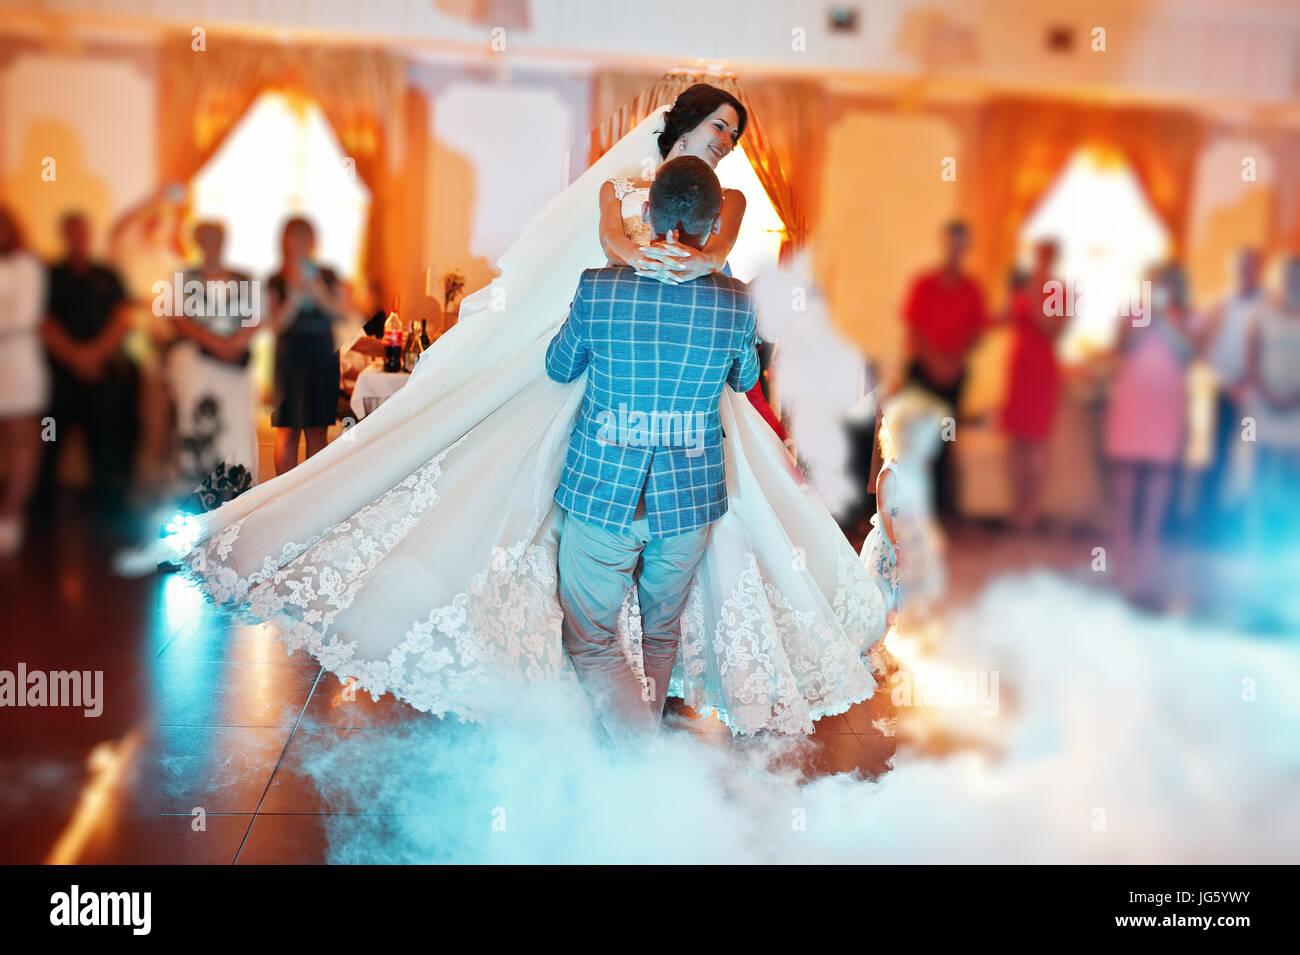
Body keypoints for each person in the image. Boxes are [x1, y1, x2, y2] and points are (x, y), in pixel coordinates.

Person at [172, 86, 886, 737]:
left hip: (674, 370)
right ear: (685, 120)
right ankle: (602, 693)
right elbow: (610, 241)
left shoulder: (723, 201)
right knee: (526, 487)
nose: (725, 142)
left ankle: (628, 705)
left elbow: (723, 246)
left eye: (733, 136)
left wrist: (694, 264)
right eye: (719, 127)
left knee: (648, 550)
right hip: (622, 359)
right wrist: (673, 264)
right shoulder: (624, 190)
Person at [547, 157, 756, 737]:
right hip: (688, 497)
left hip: (602, 490)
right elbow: (743, 380)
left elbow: (559, 367)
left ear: (646, 213)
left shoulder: (600, 286)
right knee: (660, 633)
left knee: (589, 638)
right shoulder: (735, 299)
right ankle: (636, 757)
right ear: (713, 229)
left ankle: (634, 765)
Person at [37, 212, 138, 532]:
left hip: (103, 376)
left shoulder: (108, 275)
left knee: (107, 443)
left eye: (83, 233)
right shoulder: (49, 276)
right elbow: (44, 322)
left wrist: (93, 355)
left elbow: (122, 319)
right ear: (65, 236)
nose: (78, 239)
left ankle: (108, 511)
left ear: (89, 236)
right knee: (49, 442)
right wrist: (75, 357)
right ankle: (41, 515)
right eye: (72, 233)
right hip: (60, 377)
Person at [1103, 263, 1196, 598]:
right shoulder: (1135, 311)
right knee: (1126, 469)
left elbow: (1188, 352)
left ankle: (1149, 543)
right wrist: (1149, 317)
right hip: (1132, 400)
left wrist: (1166, 321)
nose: (1161, 288)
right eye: (1156, 282)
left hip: (1166, 403)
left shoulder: (1185, 318)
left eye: (1166, 283)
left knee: (1160, 470)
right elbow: (1121, 344)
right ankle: (1122, 543)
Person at [167, 221, 261, 511]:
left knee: (236, 429)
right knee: (201, 428)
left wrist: (234, 344)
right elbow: (178, 318)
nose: (211, 243)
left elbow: (255, 316)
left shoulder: (245, 277)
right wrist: (213, 343)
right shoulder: (184, 277)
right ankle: (195, 505)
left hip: (235, 367)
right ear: (197, 242)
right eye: (205, 238)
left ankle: (235, 503)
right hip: (198, 363)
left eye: (215, 237)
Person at [901, 220, 988, 519]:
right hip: (922, 371)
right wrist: (935, 361)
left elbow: (975, 334)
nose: (955, 250)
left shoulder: (972, 290)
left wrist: (952, 363)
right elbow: (914, 328)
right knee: (915, 438)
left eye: (961, 245)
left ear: (966, 248)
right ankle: (908, 506)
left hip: (954, 374)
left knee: (944, 441)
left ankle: (937, 512)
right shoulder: (924, 283)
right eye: (951, 243)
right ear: (944, 243)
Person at [265, 217, 354, 475]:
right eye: (295, 236)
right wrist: (293, 295)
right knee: (288, 428)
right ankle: (282, 494)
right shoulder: (276, 278)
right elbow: (276, 324)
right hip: (289, 356)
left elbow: (342, 313)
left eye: (306, 236)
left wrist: (318, 293)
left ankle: (312, 496)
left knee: (317, 429)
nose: (300, 242)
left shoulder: (327, 274)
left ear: (314, 240)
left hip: (321, 354)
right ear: (284, 241)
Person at [859, 389, 948, 623]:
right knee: (888, 598)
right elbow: (884, 513)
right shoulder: (889, 474)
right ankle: (880, 636)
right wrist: (893, 546)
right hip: (893, 540)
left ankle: (914, 631)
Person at [1001, 241, 1065, 533]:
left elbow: (1049, 327)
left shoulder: (1057, 289)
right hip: (1019, 368)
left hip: (1041, 371)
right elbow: (1007, 317)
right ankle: (1017, 508)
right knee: (1017, 441)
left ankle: (1031, 512)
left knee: (1036, 441)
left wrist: (1038, 289)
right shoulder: (1023, 285)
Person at [1244, 255, 1300, 558]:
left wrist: (1293, 397)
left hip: (1297, 408)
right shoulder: (1263, 313)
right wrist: (1266, 392)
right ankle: (1256, 542)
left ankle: (1289, 545)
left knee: (1294, 477)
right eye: (1292, 277)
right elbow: (1250, 355)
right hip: (1264, 403)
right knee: (1261, 473)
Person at [0, 208, 48, 556]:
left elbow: (25, 315)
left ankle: (11, 517)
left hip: (16, 360)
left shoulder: (26, 265)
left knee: (22, 441)